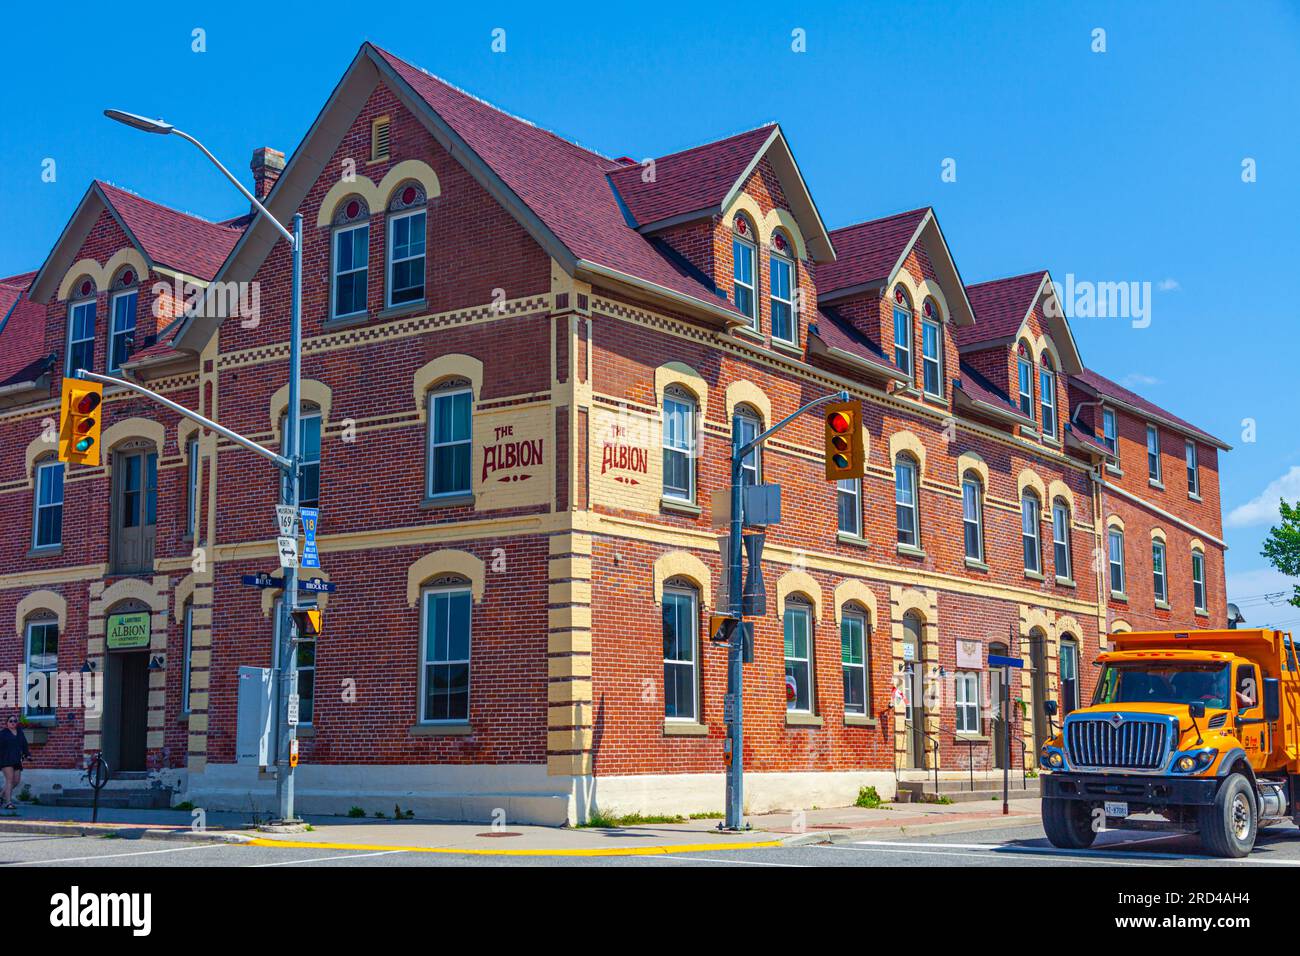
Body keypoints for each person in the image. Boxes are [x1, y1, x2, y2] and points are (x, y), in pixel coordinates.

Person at [0, 715, 30, 810]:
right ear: (7, 723)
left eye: (14, 721)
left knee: (16, 781)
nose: (13, 722)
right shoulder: (3, 734)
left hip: (16, 759)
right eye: (11, 721)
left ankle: (1, 796)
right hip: (6, 759)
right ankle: (8, 803)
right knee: (9, 780)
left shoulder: (20, 732)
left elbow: (24, 745)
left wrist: (27, 754)